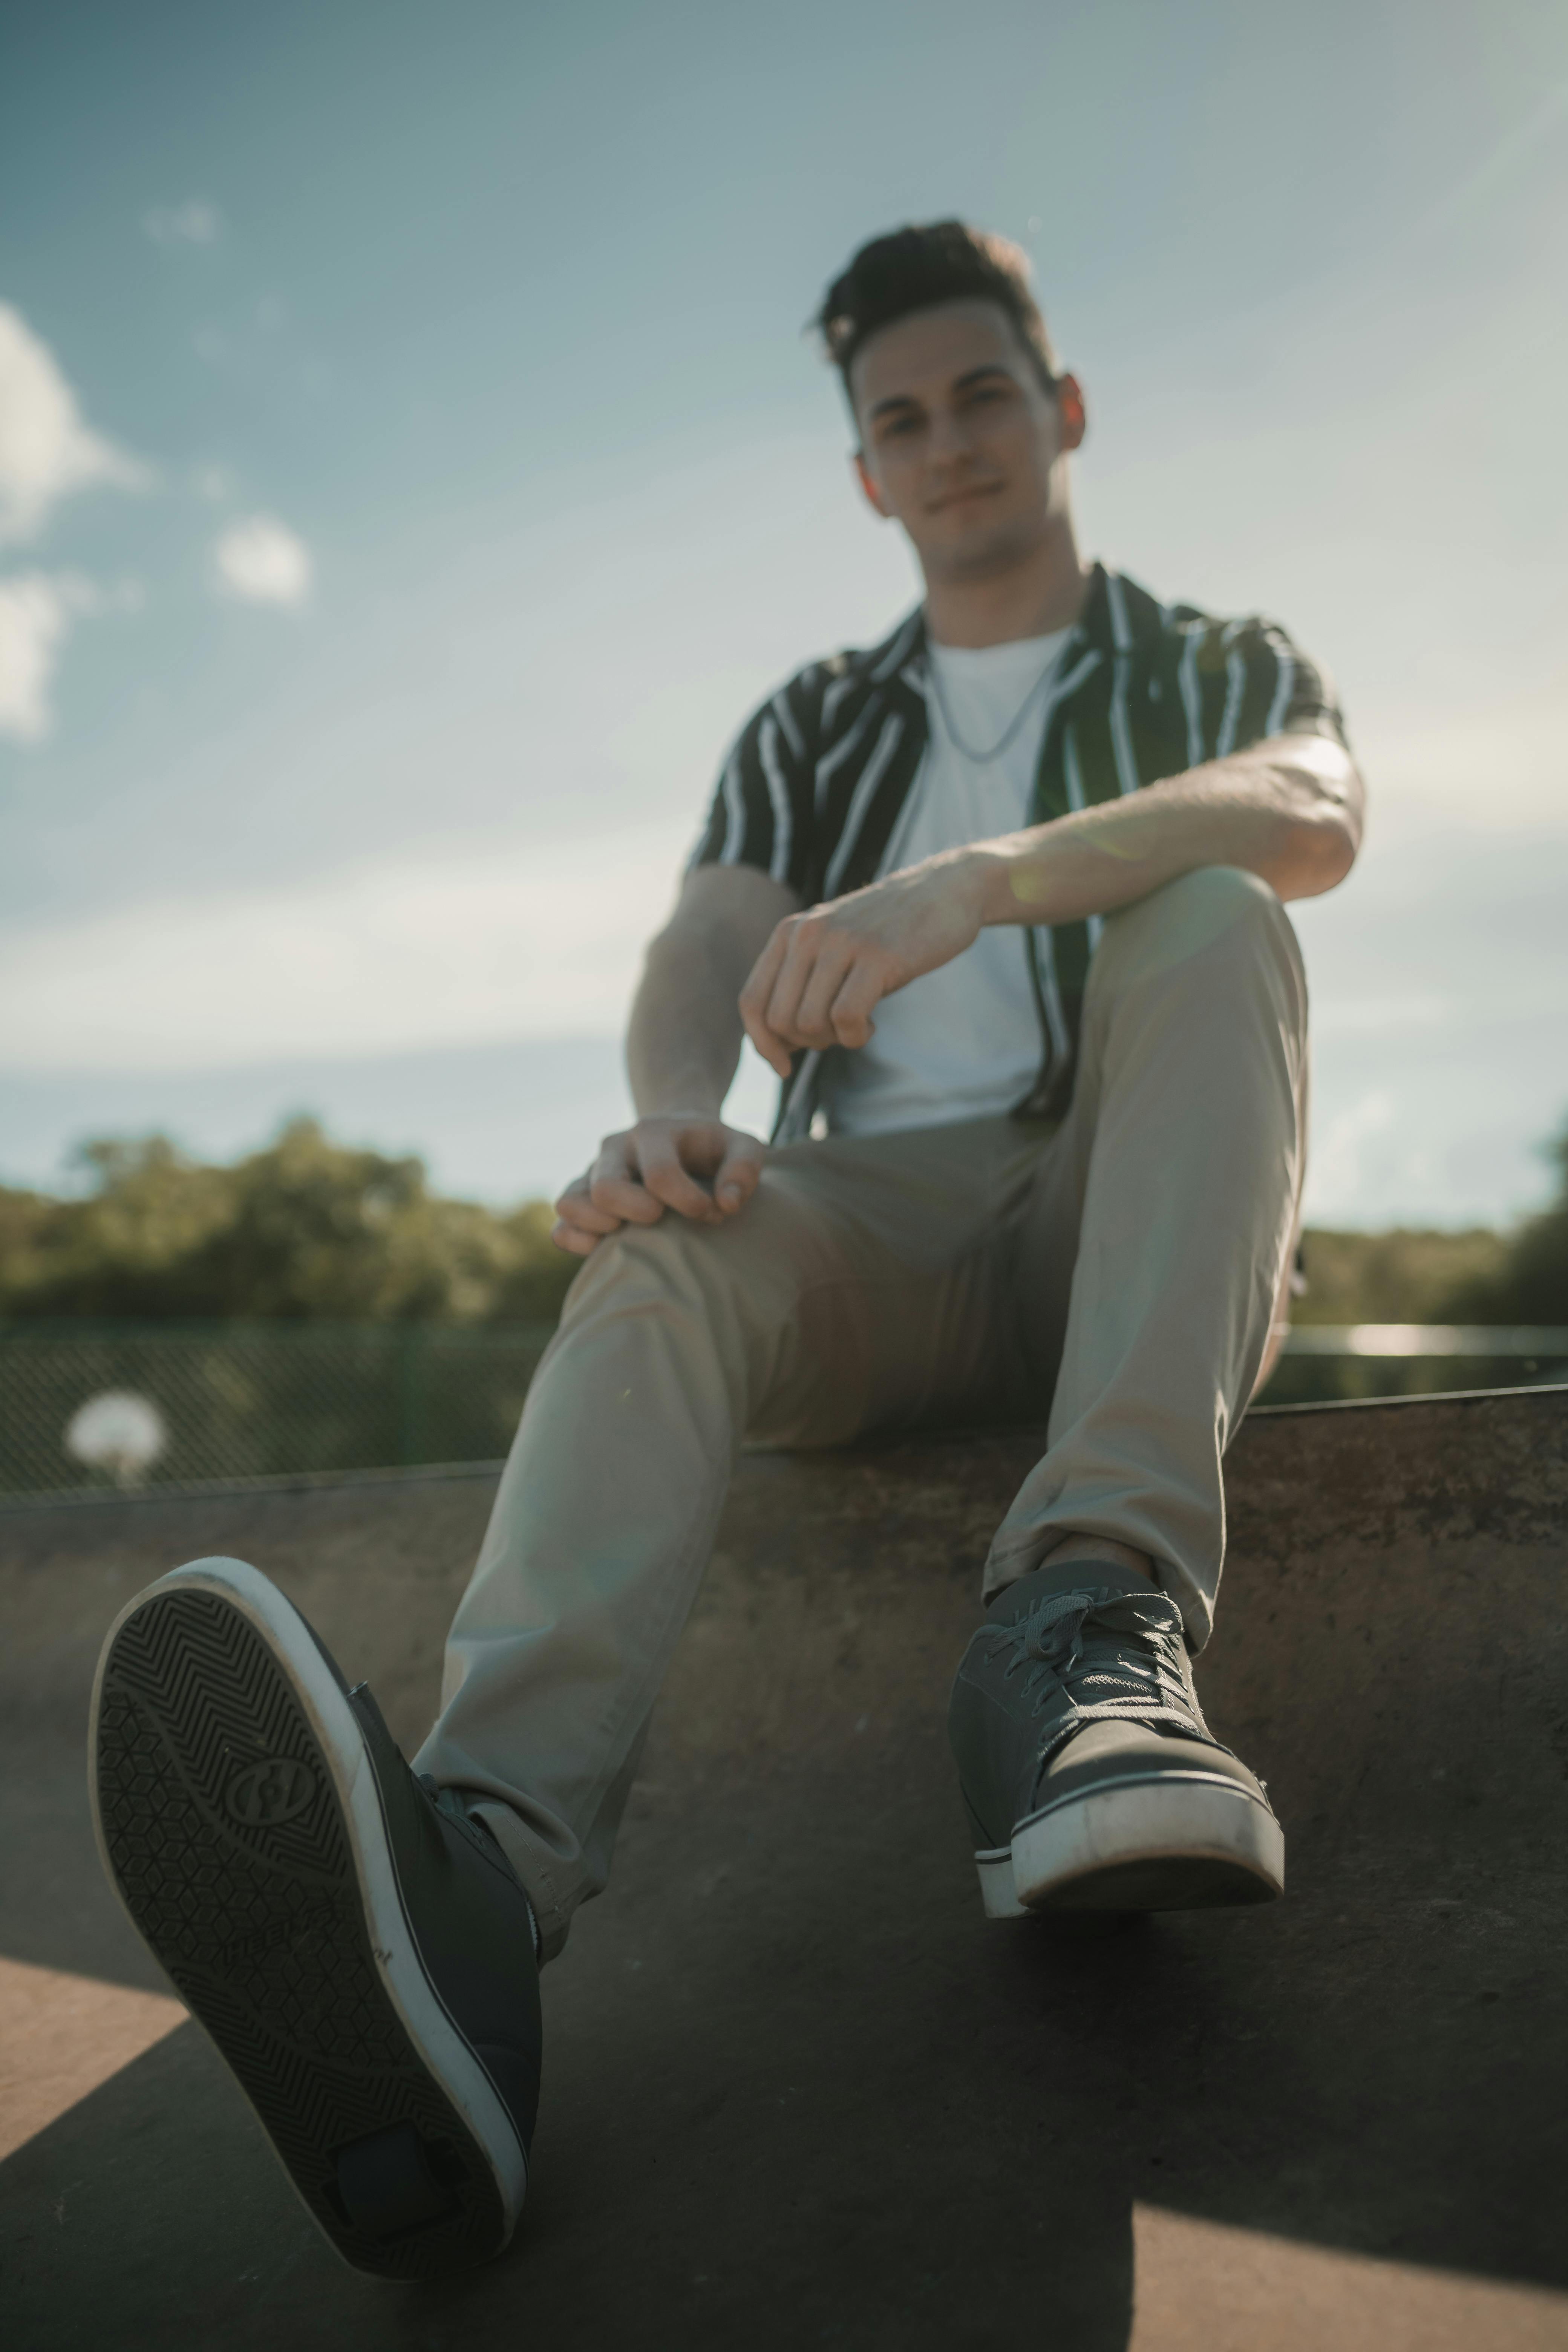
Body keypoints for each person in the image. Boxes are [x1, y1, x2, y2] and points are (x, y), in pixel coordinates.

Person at [90, 221, 1363, 2280]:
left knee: (1222, 909)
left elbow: (1313, 809)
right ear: (865, 473)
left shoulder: (1207, 661)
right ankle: (469, 1895)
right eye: (901, 421)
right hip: (880, 1228)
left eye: (983, 397)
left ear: (1065, 409)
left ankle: (1088, 1647)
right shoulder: (809, 724)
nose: (948, 445)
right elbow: (702, 935)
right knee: (667, 1251)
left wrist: (987, 881)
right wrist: (672, 1107)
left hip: (1130, 1217)